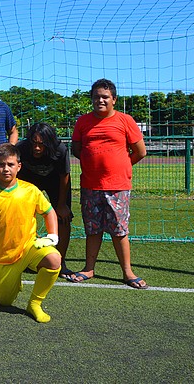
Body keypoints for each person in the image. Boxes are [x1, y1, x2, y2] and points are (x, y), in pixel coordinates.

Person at [69, 79, 148, 288]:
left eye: (105, 97)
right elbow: (76, 149)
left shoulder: (125, 120)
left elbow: (140, 151)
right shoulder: (83, 122)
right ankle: (89, 268)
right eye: (96, 97)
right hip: (90, 185)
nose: (100, 100)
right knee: (92, 229)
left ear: (114, 99)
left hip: (117, 186)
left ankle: (127, 272)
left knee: (119, 230)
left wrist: (121, 166)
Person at [0, 143, 62, 322]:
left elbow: (49, 211)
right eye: (1, 164)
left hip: (28, 248)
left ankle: (35, 303)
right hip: (0, 258)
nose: (6, 169)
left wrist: (53, 236)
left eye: (10, 164)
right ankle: (13, 282)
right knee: (4, 301)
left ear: (19, 166)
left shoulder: (30, 190)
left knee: (54, 259)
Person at [16, 122, 73, 278]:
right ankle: (22, 258)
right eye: (34, 143)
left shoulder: (60, 149)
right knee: (21, 216)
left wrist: (61, 205)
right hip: (28, 180)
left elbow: (64, 177)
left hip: (55, 181)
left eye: (41, 144)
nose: (37, 148)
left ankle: (61, 261)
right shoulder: (21, 148)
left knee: (64, 217)